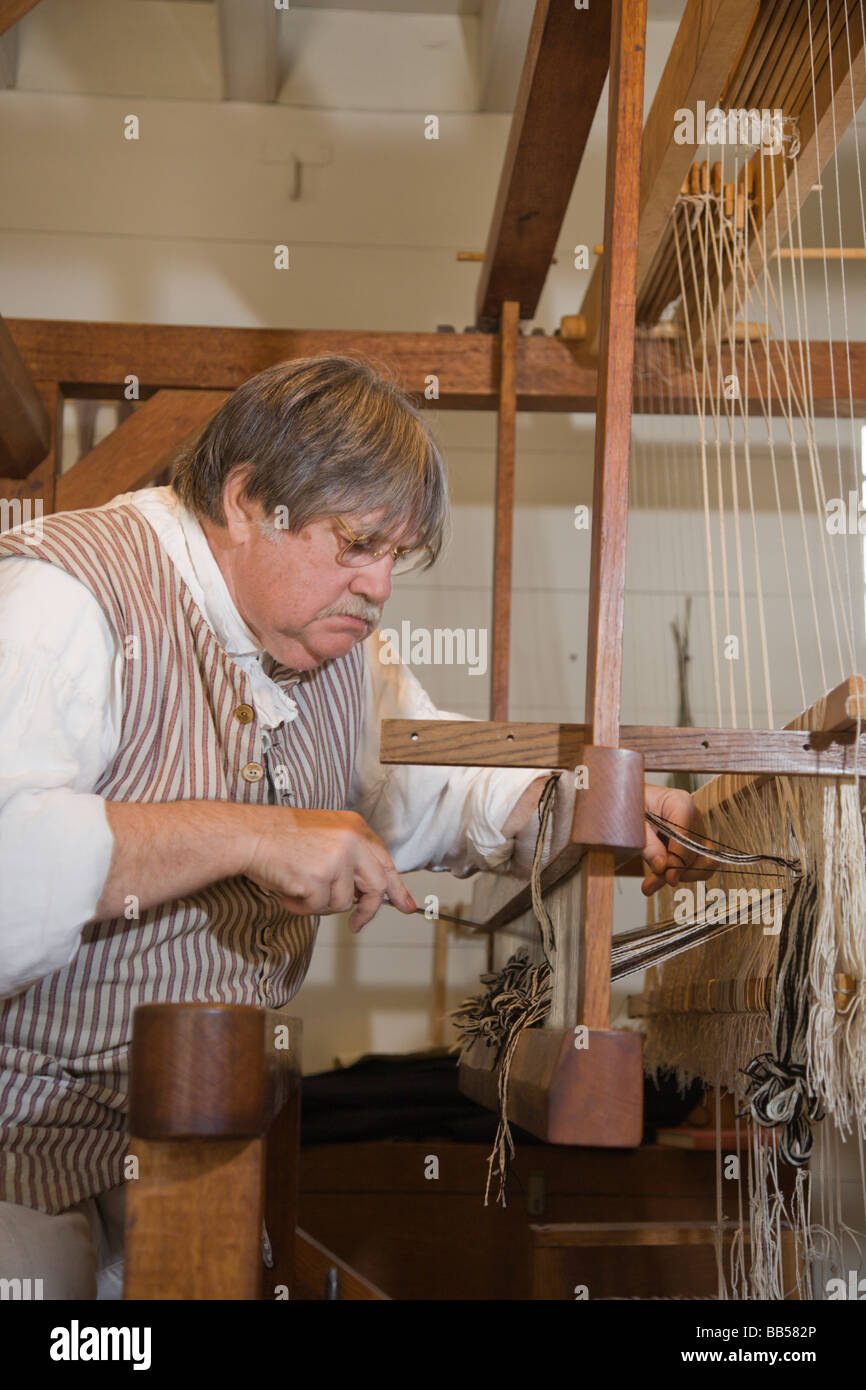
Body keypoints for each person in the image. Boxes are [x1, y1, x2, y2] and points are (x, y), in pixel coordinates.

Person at [0, 355, 709, 1298]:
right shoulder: (65, 600)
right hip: (19, 1169)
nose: (379, 590)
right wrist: (256, 836)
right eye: (357, 545)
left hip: (182, 1150)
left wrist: (582, 809)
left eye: (396, 558)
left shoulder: (336, 653)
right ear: (251, 500)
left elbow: (441, 789)